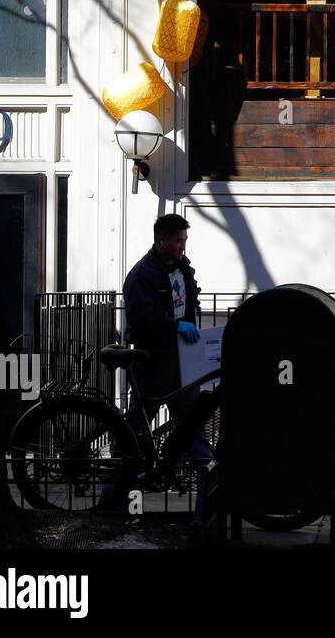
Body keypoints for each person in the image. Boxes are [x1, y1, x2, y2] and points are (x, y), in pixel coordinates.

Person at [103, 214, 213, 522]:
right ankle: (112, 491)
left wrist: (190, 323)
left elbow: (188, 300)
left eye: (184, 241)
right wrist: (176, 326)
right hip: (152, 361)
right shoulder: (141, 275)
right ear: (160, 240)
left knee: (189, 420)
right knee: (140, 427)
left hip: (178, 358)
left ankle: (209, 492)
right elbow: (143, 319)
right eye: (177, 241)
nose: (182, 247)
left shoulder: (181, 268)